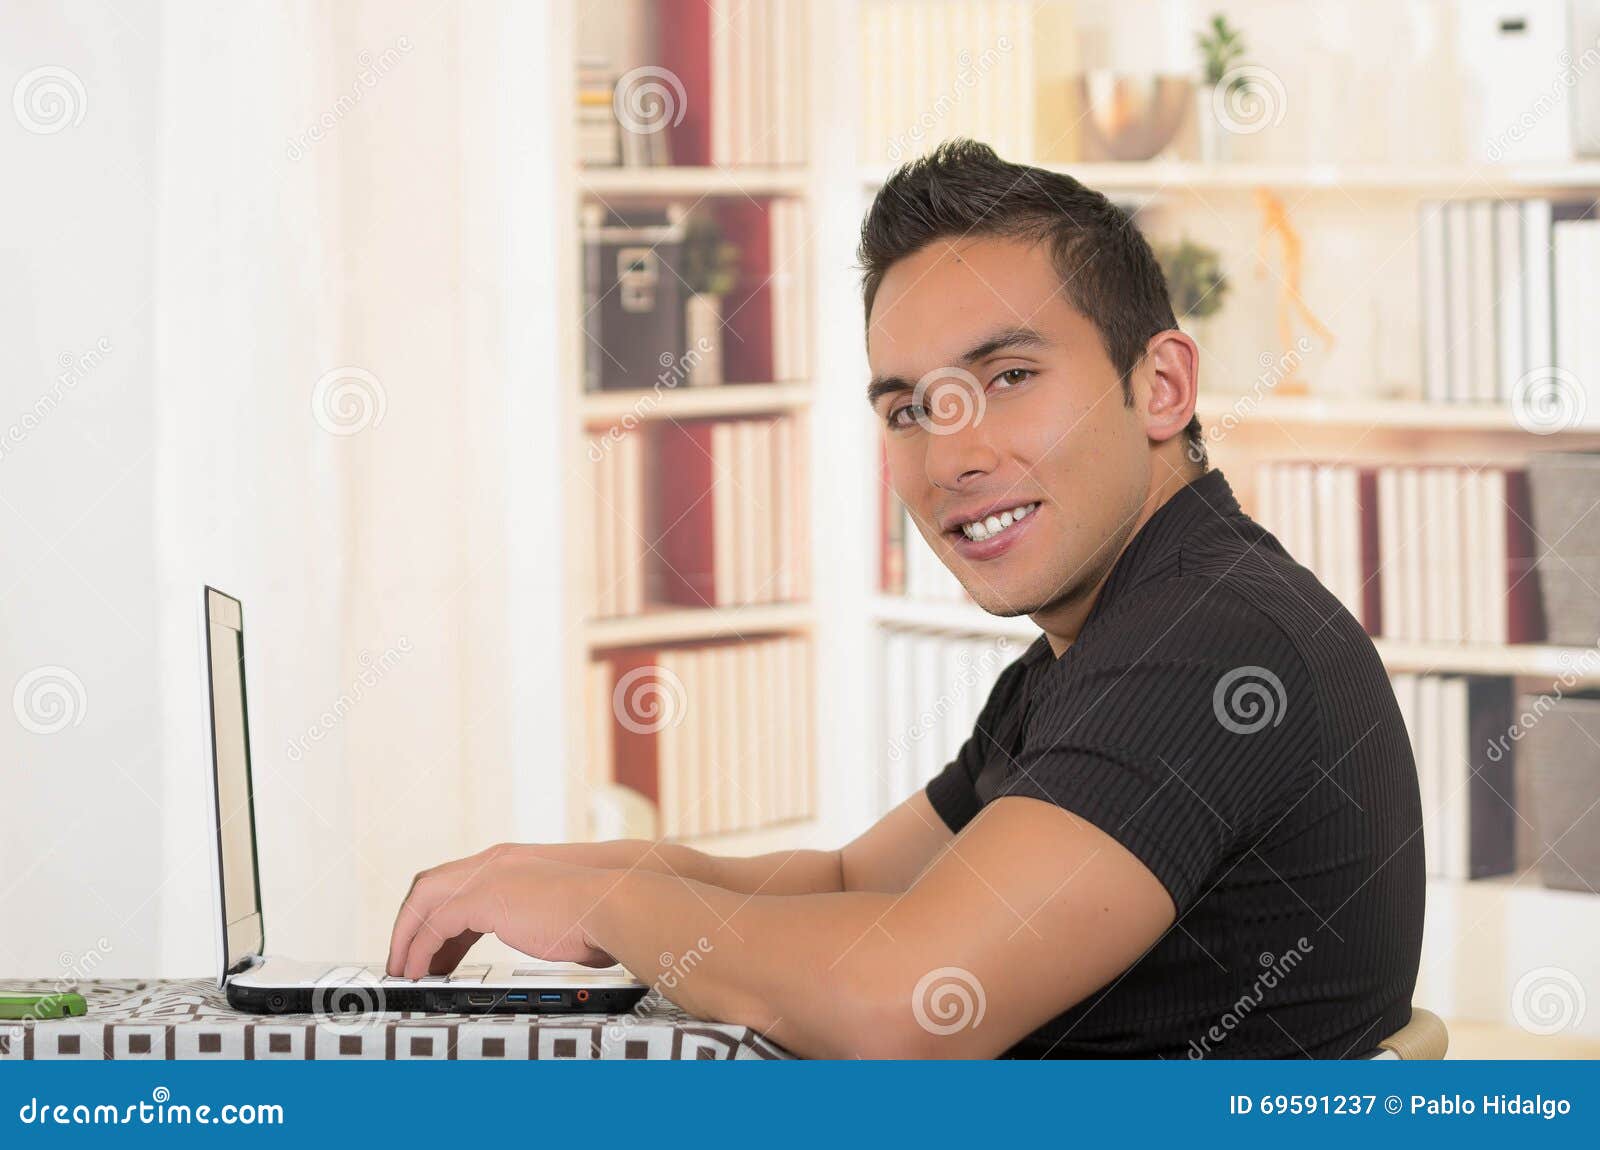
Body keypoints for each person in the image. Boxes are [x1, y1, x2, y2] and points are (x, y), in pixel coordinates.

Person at [387, 139, 1424, 1059]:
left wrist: (606, 906)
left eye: (1009, 375)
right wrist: (557, 870)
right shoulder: (1096, 650)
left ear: (1160, 387)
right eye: (909, 409)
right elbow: (852, 885)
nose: (951, 456)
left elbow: (905, 1007)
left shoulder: (1208, 649)